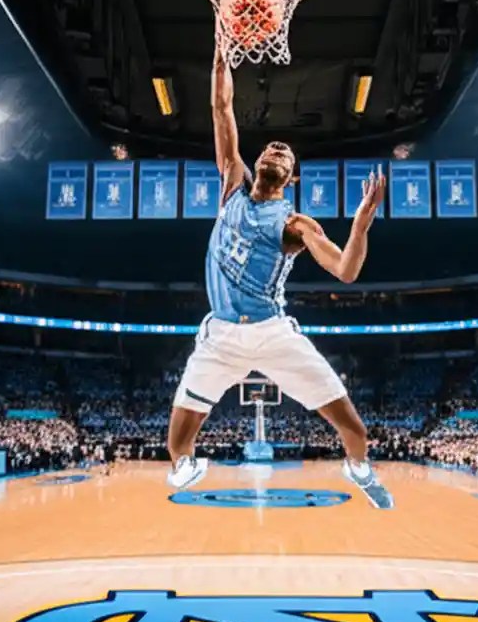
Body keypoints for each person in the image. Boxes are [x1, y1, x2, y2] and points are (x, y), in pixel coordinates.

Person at [164, 42, 393, 509]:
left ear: (291, 179)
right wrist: (220, 55)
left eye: (285, 153)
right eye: (271, 146)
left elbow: (346, 270)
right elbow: (221, 106)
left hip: (273, 333)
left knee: (355, 430)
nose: (276, 150)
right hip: (220, 336)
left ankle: (360, 469)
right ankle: (187, 468)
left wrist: (361, 224)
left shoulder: (296, 225)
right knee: (176, 447)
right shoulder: (232, 184)